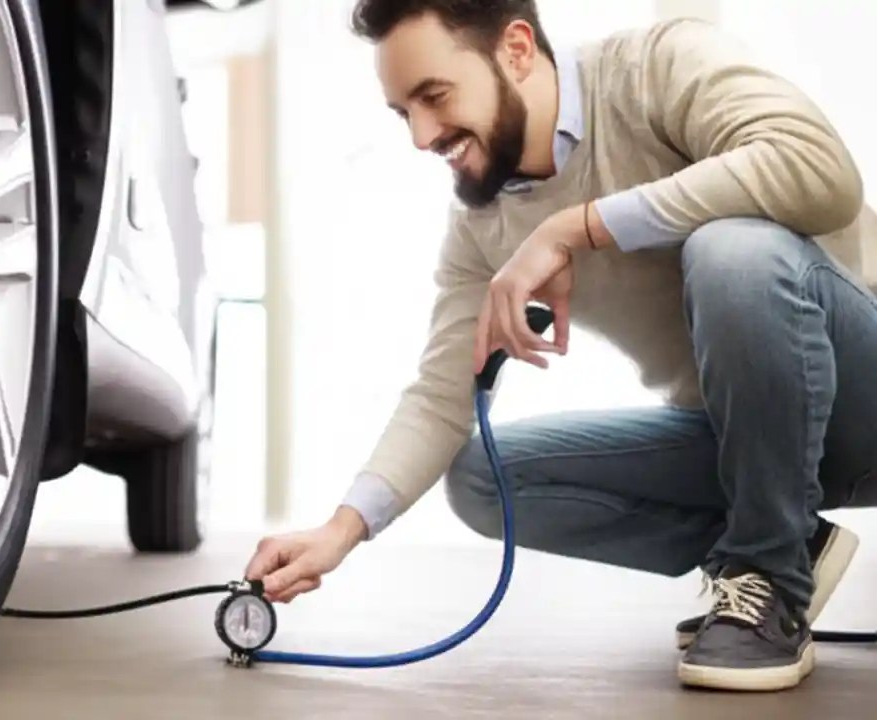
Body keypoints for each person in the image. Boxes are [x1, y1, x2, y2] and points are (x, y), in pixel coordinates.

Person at [243, 0, 877, 693]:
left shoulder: (655, 68)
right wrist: (339, 532)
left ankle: (768, 572)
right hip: (751, 443)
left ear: (516, 50)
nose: (422, 136)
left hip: (861, 396)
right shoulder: (482, 228)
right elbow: (440, 397)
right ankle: (784, 545)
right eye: (403, 113)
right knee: (485, 480)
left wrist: (580, 226)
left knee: (733, 249)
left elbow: (820, 171)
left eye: (434, 96)